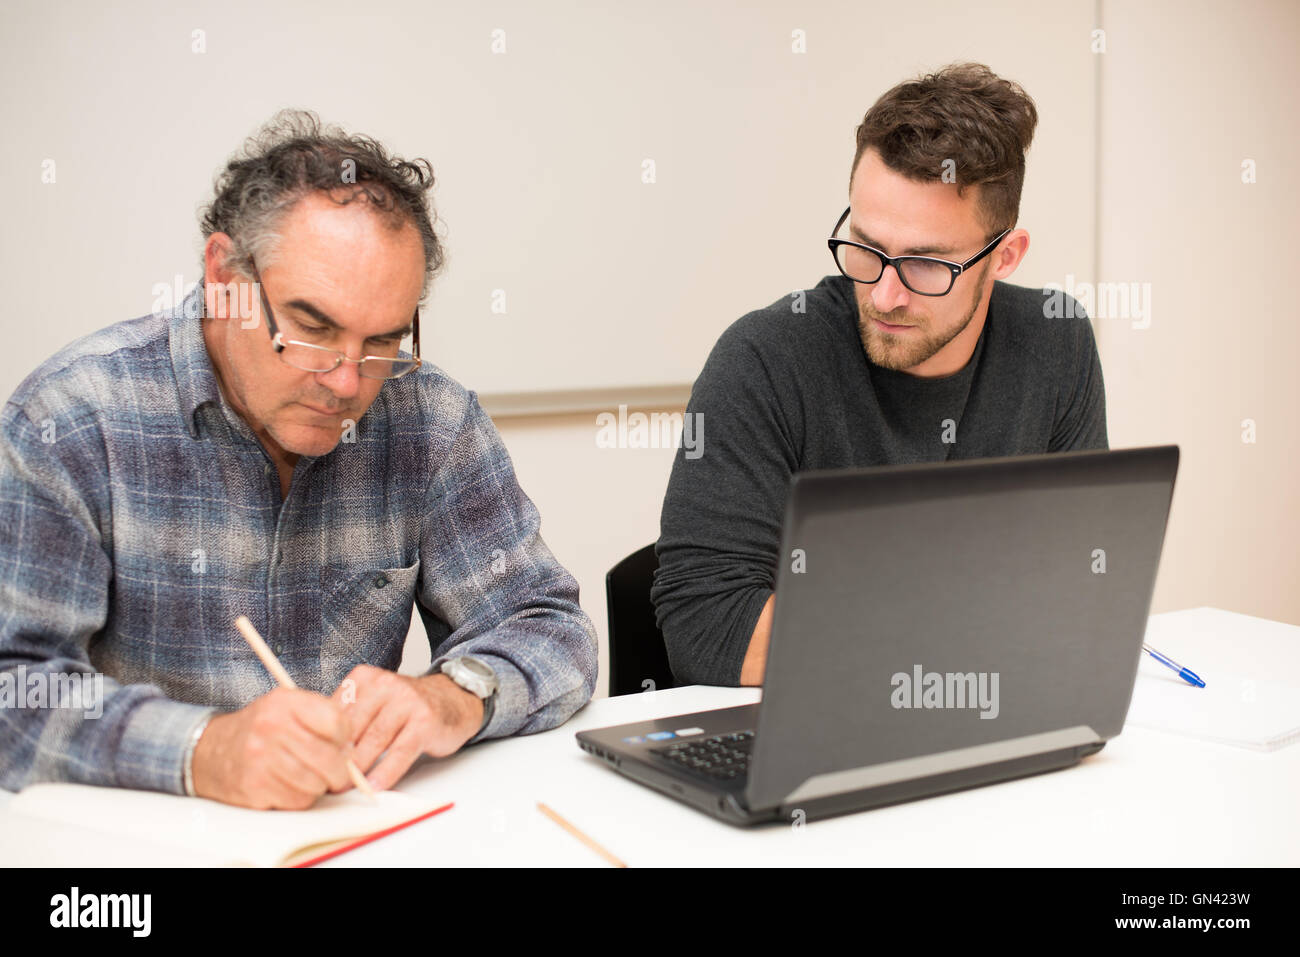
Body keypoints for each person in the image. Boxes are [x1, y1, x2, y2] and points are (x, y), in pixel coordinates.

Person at [0, 110, 597, 809]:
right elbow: (16, 686)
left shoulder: (429, 421)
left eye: (381, 340)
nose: (347, 382)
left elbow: (550, 627)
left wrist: (452, 696)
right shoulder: (70, 422)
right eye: (312, 328)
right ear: (223, 272)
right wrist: (203, 749)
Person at [652, 63, 1107, 687]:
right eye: (866, 248)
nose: (885, 294)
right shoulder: (764, 359)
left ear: (1004, 256)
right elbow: (708, 629)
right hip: (812, 726)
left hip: (990, 707)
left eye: (925, 264)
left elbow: (1079, 580)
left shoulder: (1056, 342)